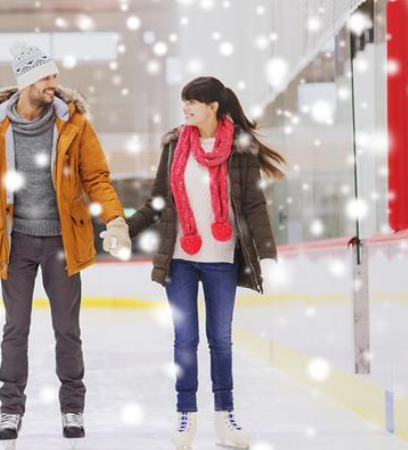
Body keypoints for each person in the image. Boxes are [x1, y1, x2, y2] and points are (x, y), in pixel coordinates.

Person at [0, 42, 132, 445]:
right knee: (15, 329)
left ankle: (72, 407)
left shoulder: (73, 123)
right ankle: (10, 409)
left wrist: (116, 219)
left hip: (62, 242)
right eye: (46, 76)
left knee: (67, 329)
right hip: (15, 243)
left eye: (54, 75)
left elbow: (96, 178)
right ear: (27, 81)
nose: (54, 82)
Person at [126, 76, 285, 450]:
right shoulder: (174, 145)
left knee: (220, 339)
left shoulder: (239, 149)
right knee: (185, 339)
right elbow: (157, 201)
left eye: (193, 102)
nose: (186, 108)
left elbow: (253, 205)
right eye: (184, 101)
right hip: (180, 258)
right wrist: (125, 227)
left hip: (222, 258)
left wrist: (266, 253)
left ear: (213, 106)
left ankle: (225, 417)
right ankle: (186, 415)